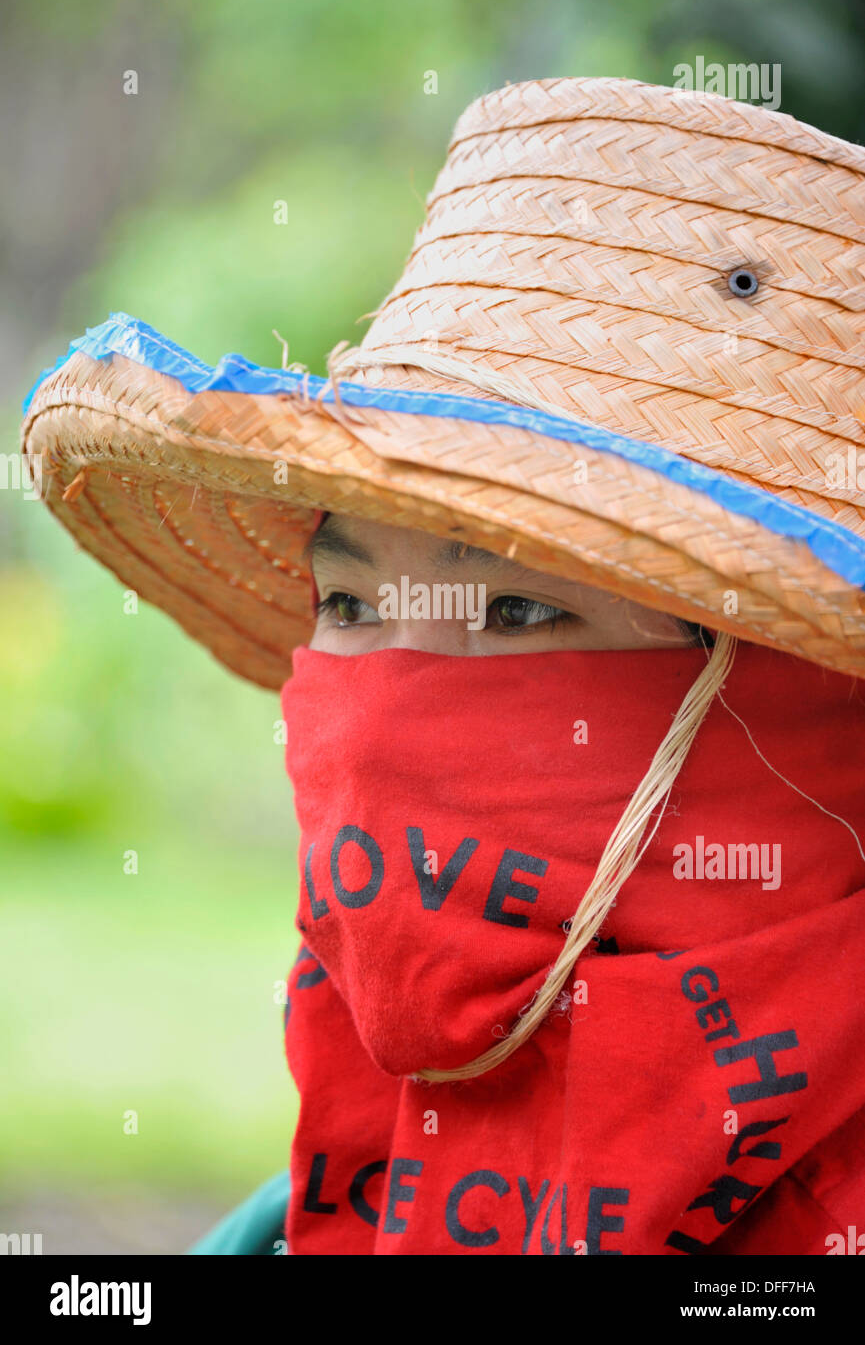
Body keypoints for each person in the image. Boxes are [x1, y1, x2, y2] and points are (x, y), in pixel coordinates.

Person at [22, 76, 865, 1255]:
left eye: (520, 607)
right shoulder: (305, 1217)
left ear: (799, 705)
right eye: (352, 600)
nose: (376, 723)